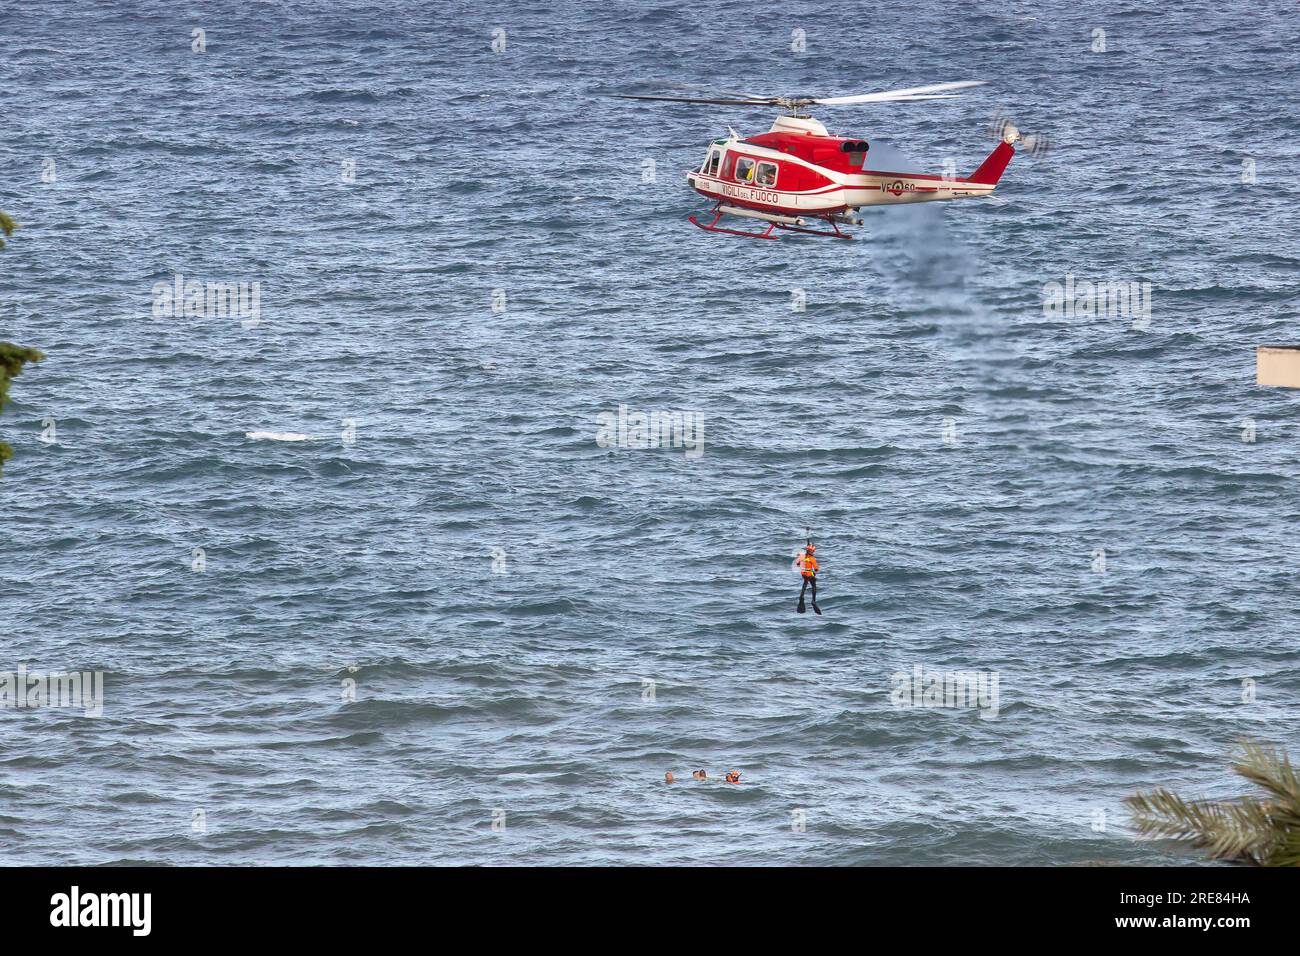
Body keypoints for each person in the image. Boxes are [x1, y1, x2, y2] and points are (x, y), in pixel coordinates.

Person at [796, 541, 821, 615]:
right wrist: (815, 569)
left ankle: (802, 596)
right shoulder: (812, 558)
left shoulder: (801, 556)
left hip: (803, 573)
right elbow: (816, 569)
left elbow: (797, 564)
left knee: (805, 583)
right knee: (814, 585)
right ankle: (813, 600)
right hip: (809, 573)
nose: (813, 552)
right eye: (813, 551)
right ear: (811, 551)